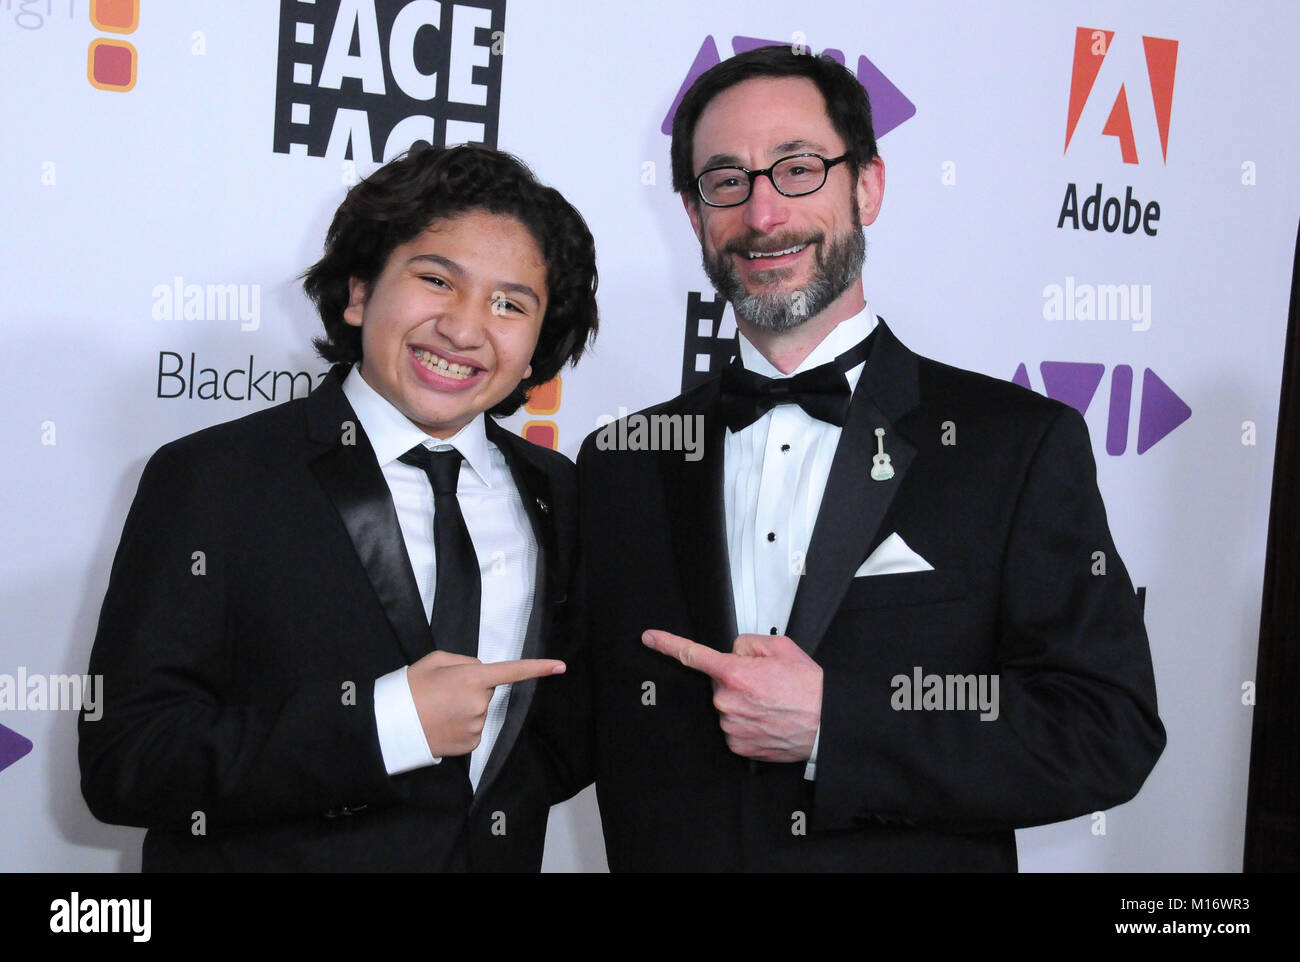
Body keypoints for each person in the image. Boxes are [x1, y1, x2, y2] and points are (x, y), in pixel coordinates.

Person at [578, 45, 1165, 871]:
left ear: (868, 187)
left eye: (798, 169)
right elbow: (565, 724)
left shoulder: (1017, 444)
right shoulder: (620, 461)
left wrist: (834, 726)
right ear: (694, 214)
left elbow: (1107, 729)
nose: (764, 214)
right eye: (726, 181)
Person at [79, 144, 598, 871]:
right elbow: (127, 760)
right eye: (436, 279)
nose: (465, 328)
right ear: (359, 292)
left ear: (538, 341)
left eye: (510, 304)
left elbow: (562, 730)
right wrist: (388, 723)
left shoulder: (562, 491)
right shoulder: (213, 478)